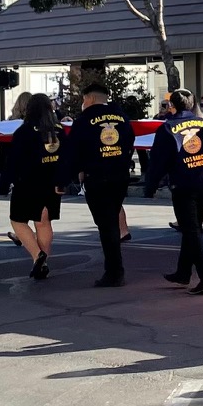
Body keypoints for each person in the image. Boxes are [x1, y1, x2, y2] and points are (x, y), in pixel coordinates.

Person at [58, 82, 135, 287]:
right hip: (119, 177)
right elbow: (130, 142)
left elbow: (73, 153)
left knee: (106, 225)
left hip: (97, 178)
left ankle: (114, 272)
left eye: (84, 99)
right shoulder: (122, 117)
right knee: (111, 222)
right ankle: (115, 270)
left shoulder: (84, 121)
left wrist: (63, 180)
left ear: (90, 98)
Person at [144, 89, 203, 295]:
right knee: (190, 228)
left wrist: (150, 186)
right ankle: (183, 272)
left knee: (191, 231)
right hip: (200, 180)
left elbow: (158, 161)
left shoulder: (167, 128)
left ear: (172, 106)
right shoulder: (201, 123)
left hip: (182, 183)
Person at [7, 93, 63, 279]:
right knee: (43, 222)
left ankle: (37, 255)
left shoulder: (24, 131)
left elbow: (13, 160)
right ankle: (43, 263)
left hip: (28, 183)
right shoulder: (59, 130)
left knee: (18, 220)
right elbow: (67, 157)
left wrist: (7, 182)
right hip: (53, 183)